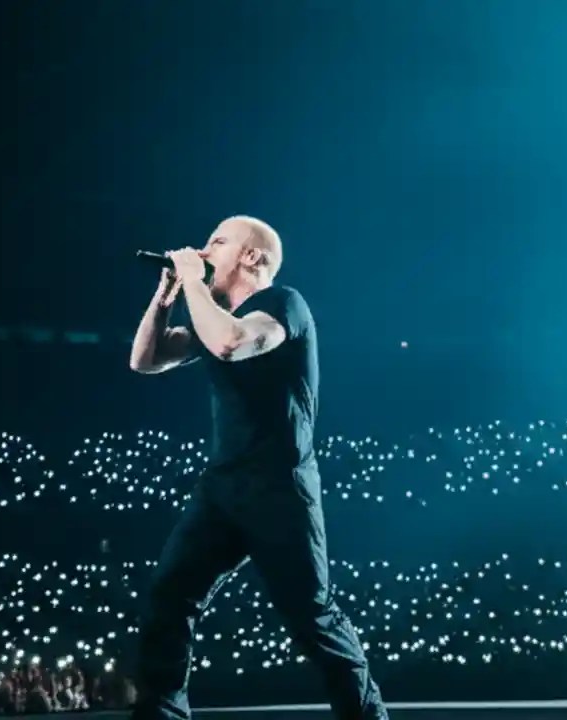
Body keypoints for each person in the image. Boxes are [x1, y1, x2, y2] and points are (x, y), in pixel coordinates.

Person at [127, 216, 387, 720]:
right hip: (222, 488)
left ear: (251, 257)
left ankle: (367, 716)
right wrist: (167, 295)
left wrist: (196, 287)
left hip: (279, 487)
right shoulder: (210, 315)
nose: (203, 250)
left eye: (216, 242)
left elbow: (232, 342)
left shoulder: (282, 305)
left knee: (310, 615)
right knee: (170, 595)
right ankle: (161, 714)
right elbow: (145, 359)